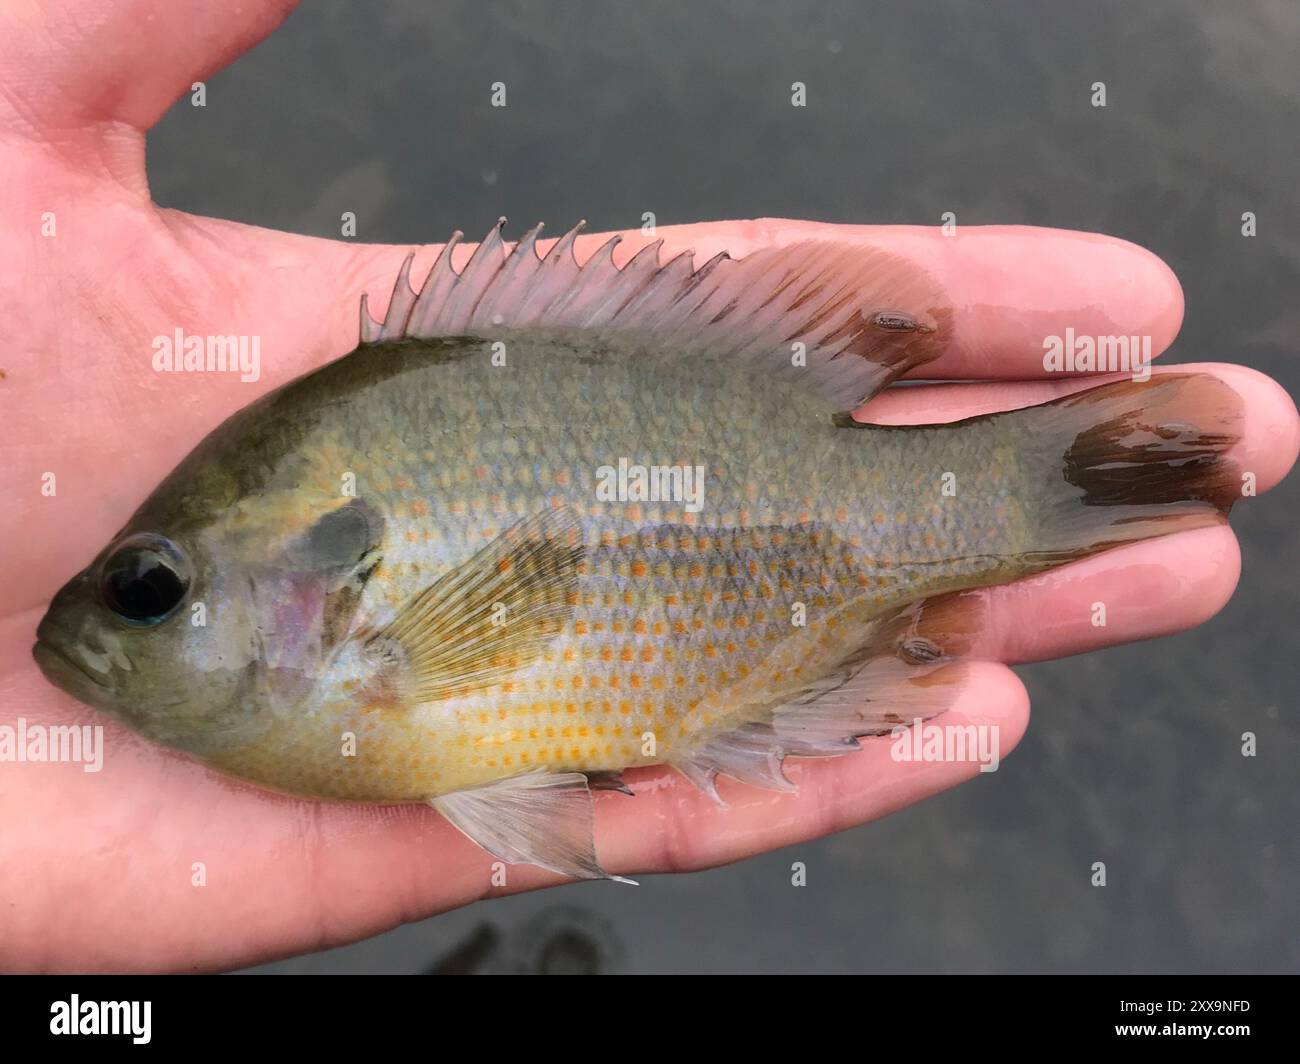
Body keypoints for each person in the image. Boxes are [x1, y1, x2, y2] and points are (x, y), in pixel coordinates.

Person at [0, 0, 1295, 972]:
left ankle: (1071, 484)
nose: (115, 619)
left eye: (153, 589)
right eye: (146, 589)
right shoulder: (327, 647)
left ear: (317, 573)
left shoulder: (350, 647)